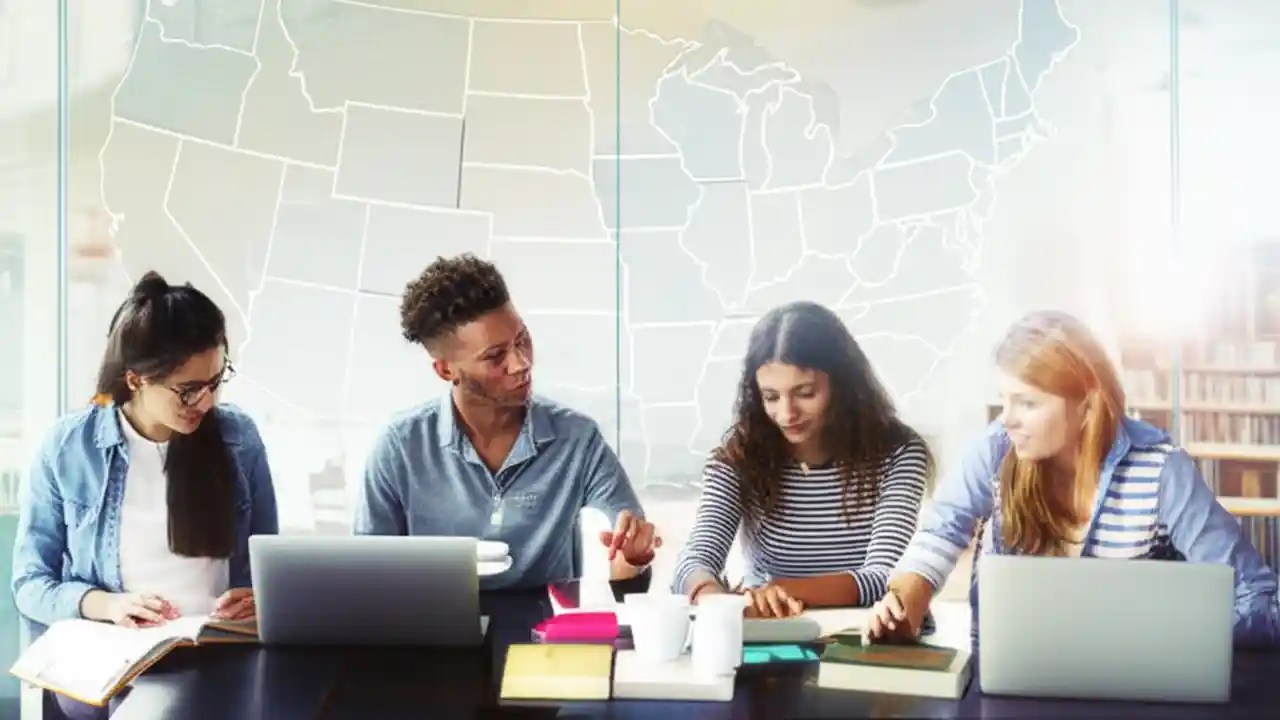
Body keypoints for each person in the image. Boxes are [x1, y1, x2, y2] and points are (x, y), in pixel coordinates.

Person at [866, 310, 1280, 647]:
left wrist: (1177, 638)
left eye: (1027, 403)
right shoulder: (995, 451)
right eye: (1005, 399)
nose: (1007, 419)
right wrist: (905, 603)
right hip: (1011, 688)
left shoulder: (1162, 470)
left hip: (1136, 691)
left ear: (1086, 406)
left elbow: (1250, 593)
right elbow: (940, 533)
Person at [11, 272, 279, 717]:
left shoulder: (238, 439)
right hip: (112, 666)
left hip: (216, 657)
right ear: (135, 379)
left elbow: (266, 567)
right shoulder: (68, 448)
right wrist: (108, 605)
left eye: (216, 381)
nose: (206, 402)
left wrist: (256, 596)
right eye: (188, 390)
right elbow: (30, 583)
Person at [354, 254, 659, 589]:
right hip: (433, 634)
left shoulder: (577, 439)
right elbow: (370, 579)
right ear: (446, 370)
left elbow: (628, 567)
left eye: (522, 339)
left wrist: (633, 556)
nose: (521, 362)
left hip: (547, 638)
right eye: (495, 356)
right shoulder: (399, 447)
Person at [671, 301, 934, 617]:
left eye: (805, 393)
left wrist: (779, 591)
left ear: (842, 385)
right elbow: (694, 560)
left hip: (866, 639)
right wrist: (715, 600)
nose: (786, 413)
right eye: (771, 397)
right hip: (769, 632)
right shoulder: (739, 460)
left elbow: (887, 578)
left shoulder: (899, 453)